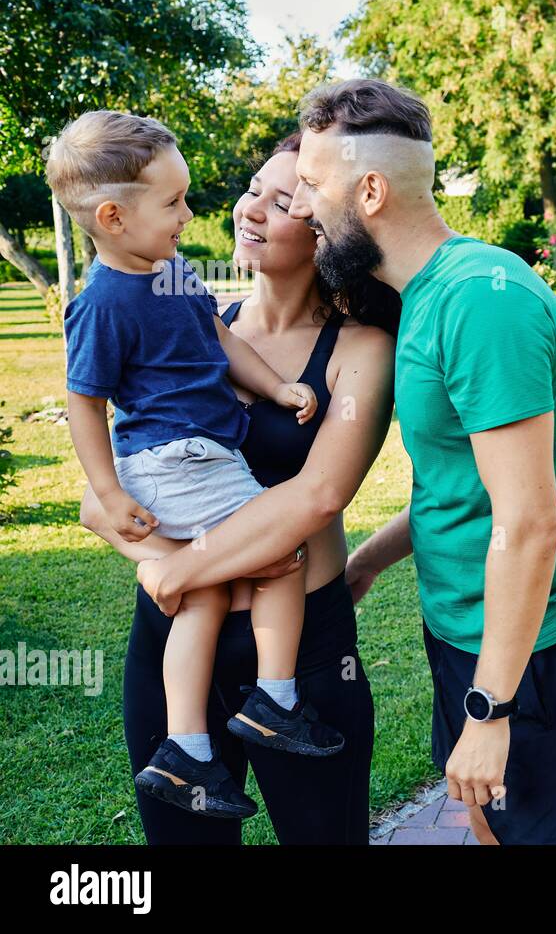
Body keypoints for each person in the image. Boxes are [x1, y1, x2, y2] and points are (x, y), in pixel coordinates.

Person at [139, 78, 556, 844]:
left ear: (368, 191)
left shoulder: (481, 300)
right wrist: (369, 561)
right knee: (494, 826)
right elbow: (462, 492)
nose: (299, 209)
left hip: (531, 649)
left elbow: (530, 523)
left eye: (313, 189)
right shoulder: (427, 298)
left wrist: (492, 709)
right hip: (468, 630)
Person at [81, 131, 398, 843]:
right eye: (254, 187)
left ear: (326, 233)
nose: (250, 208)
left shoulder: (360, 350)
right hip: (175, 638)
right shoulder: (188, 319)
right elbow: (100, 498)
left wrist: (182, 567)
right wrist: (159, 570)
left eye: (284, 200)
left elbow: (318, 496)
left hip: (302, 655)